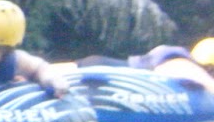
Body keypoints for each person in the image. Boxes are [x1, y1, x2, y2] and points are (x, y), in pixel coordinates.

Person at [68, 39, 214, 91]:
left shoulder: (178, 58)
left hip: (96, 64)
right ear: (209, 67)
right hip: (101, 72)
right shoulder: (182, 63)